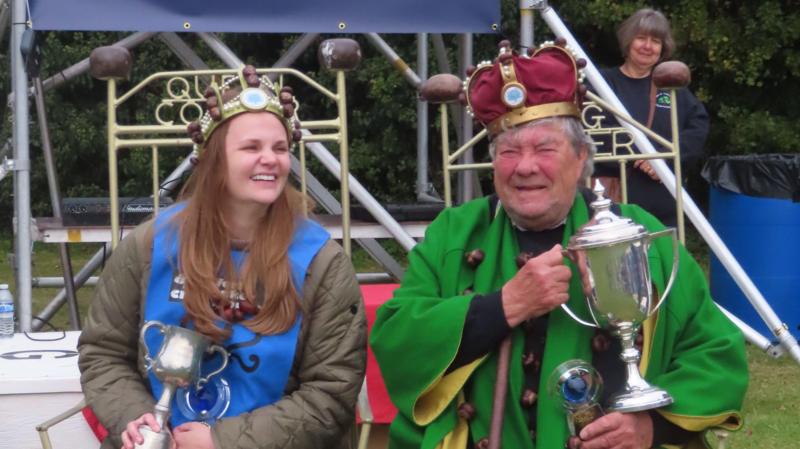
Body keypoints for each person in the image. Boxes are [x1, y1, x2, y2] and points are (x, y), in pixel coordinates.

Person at [370, 41, 747, 449]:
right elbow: (397, 338)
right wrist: (504, 306)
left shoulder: (640, 234)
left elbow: (715, 353)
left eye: (545, 148)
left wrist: (651, 427)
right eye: (509, 152)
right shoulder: (454, 234)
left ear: (581, 156)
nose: (525, 166)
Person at [78, 65, 367, 449]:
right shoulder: (150, 245)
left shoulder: (321, 262)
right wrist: (135, 418)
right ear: (215, 160)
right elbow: (103, 351)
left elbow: (331, 394)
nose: (271, 159)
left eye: (280, 148)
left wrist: (223, 442)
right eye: (251, 147)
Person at [593, 8, 709, 227]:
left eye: (655, 41)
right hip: (616, 209)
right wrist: (644, 156)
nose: (648, 46)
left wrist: (662, 158)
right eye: (641, 38)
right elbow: (594, 135)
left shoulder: (671, 88)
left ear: (662, 48)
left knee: (667, 261)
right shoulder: (602, 84)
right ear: (628, 41)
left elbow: (698, 127)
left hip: (665, 209)